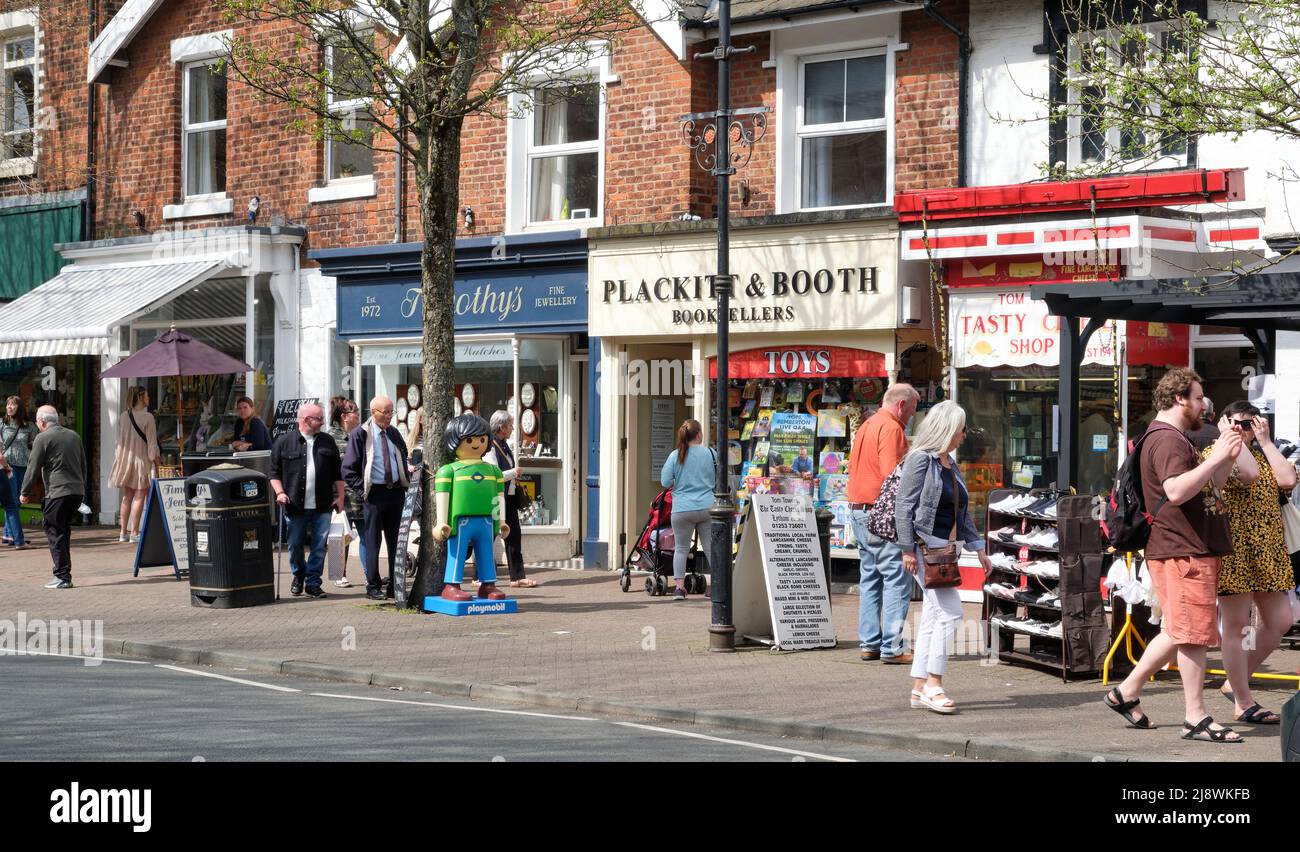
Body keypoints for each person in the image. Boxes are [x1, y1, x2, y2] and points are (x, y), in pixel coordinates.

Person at [1102, 368, 1249, 744]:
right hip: (1183, 550)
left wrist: (1227, 457)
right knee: (1193, 637)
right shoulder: (1167, 440)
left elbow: (1206, 487)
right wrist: (1216, 457)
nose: (1204, 405)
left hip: (1180, 548)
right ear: (1180, 398)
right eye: (1199, 397)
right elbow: (1177, 491)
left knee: (1177, 629)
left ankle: (1126, 691)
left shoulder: (1170, 437)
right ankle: (1195, 717)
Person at [1201, 400, 1297, 725]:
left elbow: (1287, 479)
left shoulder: (1262, 451)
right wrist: (1231, 439)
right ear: (1225, 423)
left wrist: (1267, 442)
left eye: (1250, 423)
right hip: (1236, 550)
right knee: (1238, 627)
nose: (1245, 430)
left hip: (1268, 549)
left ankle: (1236, 680)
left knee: (1281, 620)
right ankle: (1243, 701)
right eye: (1238, 423)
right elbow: (1247, 476)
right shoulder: (1218, 453)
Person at [894, 400, 993, 714]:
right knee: (951, 614)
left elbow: (961, 513)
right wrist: (907, 549)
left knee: (934, 617)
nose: (964, 435)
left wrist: (979, 550)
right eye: (961, 429)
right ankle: (934, 683)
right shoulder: (921, 460)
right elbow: (903, 506)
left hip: (947, 551)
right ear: (948, 429)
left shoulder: (949, 462)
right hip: (925, 550)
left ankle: (919, 687)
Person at [848, 382, 919, 664]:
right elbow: (894, 479)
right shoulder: (892, 429)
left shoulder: (868, 425)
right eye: (912, 410)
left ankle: (870, 643)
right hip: (880, 512)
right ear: (901, 405)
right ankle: (893, 647)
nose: (911, 416)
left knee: (870, 578)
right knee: (895, 579)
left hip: (858, 508)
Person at [270, 402, 345, 598]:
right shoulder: (283, 442)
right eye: (319, 419)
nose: (322, 422)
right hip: (294, 504)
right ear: (305, 420)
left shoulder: (327, 441)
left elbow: (337, 473)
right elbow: (274, 473)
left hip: (322, 503)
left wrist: (341, 496)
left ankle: (313, 582)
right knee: (294, 545)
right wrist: (280, 493)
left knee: (319, 545)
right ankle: (298, 575)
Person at [433, 414, 509, 602]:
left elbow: (499, 497)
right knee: (457, 551)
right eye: (469, 439)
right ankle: (451, 585)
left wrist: (502, 521)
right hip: (460, 520)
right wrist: (441, 522)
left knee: (486, 551)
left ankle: (488, 584)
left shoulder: (493, 471)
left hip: (486, 519)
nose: (476, 443)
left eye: (482, 439)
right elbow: (442, 496)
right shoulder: (448, 471)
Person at [341, 395, 409, 601]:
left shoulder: (394, 433)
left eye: (391, 412)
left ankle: (394, 585)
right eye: (385, 412)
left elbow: (403, 456)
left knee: (396, 541)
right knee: (372, 541)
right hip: (374, 494)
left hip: (395, 492)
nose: (389, 416)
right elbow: (348, 469)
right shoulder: (360, 434)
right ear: (373, 413)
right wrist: (364, 491)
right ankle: (373, 585)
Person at [19, 406, 87, 589]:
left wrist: (24, 492)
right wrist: (82, 489)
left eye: (37, 422)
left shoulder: (42, 438)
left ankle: (62, 576)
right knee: (63, 532)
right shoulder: (74, 436)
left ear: (41, 421)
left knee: (54, 531)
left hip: (57, 492)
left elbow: (33, 467)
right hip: (75, 492)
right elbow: (83, 465)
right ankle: (64, 573)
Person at [659, 418, 715, 600]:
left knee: (681, 549)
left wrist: (680, 483)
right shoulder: (711, 453)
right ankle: (717, 587)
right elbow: (720, 477)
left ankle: (679, 589)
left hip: (682, 508)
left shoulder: (675, 455)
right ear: (699, 435)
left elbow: (665, 482)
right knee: (710, 548)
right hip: (707, 507)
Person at [484, 409, 535, 587]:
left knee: (514, 536)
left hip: (510, 496)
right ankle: (480, 576)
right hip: (496, 499)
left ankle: (517, 577)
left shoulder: (504, 445)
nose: (513, 428)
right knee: (489, 536)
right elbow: (494, 474)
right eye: (511, 425)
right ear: (501, 427)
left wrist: (514, 475)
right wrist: (514, 472)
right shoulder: (490, 446)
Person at [108, 385, 161, 543]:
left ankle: (123, 532)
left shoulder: (124, 416)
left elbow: (119, 441)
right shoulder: (148, 418)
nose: (149, 398)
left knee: (127, 497)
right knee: (139, 496)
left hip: (125, 460)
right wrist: (156, 459)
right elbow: (152, 444)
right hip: (141, 461)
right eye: (146, 396)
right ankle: (135, 533)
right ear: (140, 397)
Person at [327, 399, 364, 588]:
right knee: (339, 535)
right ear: (344, 416)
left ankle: (370, 576)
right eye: (355, 411)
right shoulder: (330, 437)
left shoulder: (361, 434)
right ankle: (337, 574)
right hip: (340, 494)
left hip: (361, 493)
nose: (358, 414)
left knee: (367, 535)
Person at [1, 395, 34, 549]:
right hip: (8, 466)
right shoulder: (2, 424)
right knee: (12, 501)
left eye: (13, 405)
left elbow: (36, 444)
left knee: (17, 501)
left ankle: (8, 534)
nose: (9, 407)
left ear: (19, 407)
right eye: (8, 404)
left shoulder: (29, 426)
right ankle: (15, 537)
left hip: (24, 466)